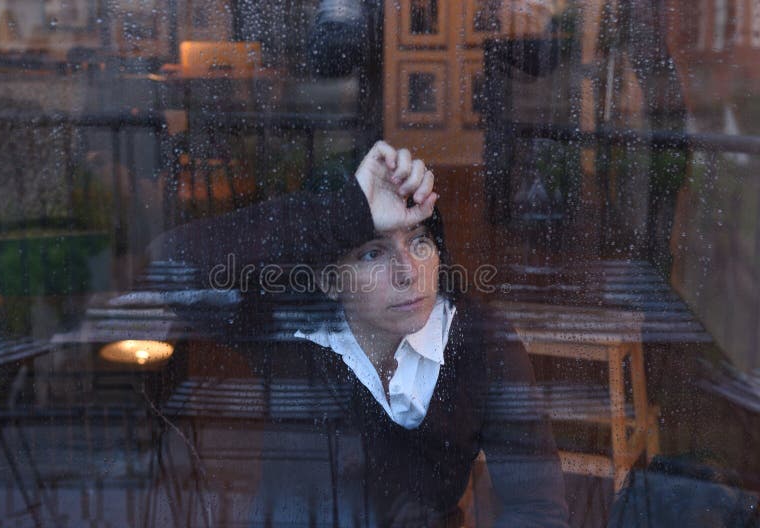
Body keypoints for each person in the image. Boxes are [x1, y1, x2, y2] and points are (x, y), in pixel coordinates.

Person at [149, 141, 569, 527]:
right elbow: (168, 264)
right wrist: (346, 212)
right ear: (330, 281)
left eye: (420, 242)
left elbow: (536, 509)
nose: (408, 272)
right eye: (373, 252)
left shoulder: (480, 340)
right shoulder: (291, 333)